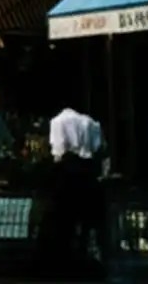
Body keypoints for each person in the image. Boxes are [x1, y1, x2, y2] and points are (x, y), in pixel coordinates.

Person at [48, 102, 106, 268]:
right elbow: (99, 149)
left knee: (65, 219)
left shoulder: (57, 121)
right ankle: (87, 254)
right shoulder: (90, 122)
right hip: (87, 173)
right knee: (88, 218)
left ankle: (66, 258)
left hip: (67, 173)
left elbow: (57, 153)